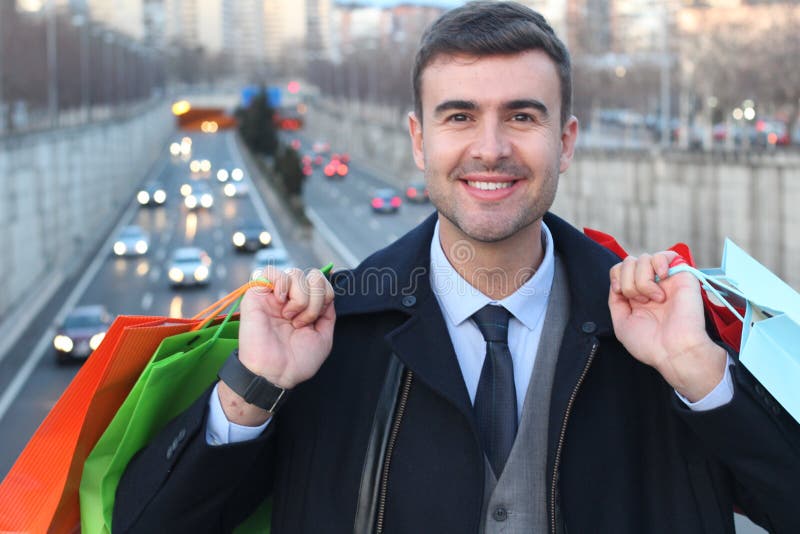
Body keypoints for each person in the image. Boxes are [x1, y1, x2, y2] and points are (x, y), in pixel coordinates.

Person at [114, 2, 800, 532]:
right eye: (461, 116)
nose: (491, 148)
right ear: (419, 140)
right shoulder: (326, 340)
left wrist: (702, 375)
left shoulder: (662, 337)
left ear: (567, 142)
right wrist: (252, 389)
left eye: (522, 116)